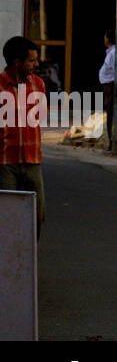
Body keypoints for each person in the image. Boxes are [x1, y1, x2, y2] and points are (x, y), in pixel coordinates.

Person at [0, 36, 47, 237]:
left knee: (37, 216)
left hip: (33, 161)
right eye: (32, 60)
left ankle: (28, 265)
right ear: (17, 63)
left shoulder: (38, 84)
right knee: (6, 217)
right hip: (5, 162)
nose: (36, 64)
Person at [99, 29, 116, 134]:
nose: (104, 39)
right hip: (108, 86)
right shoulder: (111, 52)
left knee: (110, 112)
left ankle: (112, 139)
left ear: (108, 39)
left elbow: (116, 71)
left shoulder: (113, 53)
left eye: (105, 37)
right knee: (109, 110)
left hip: (111, 86)